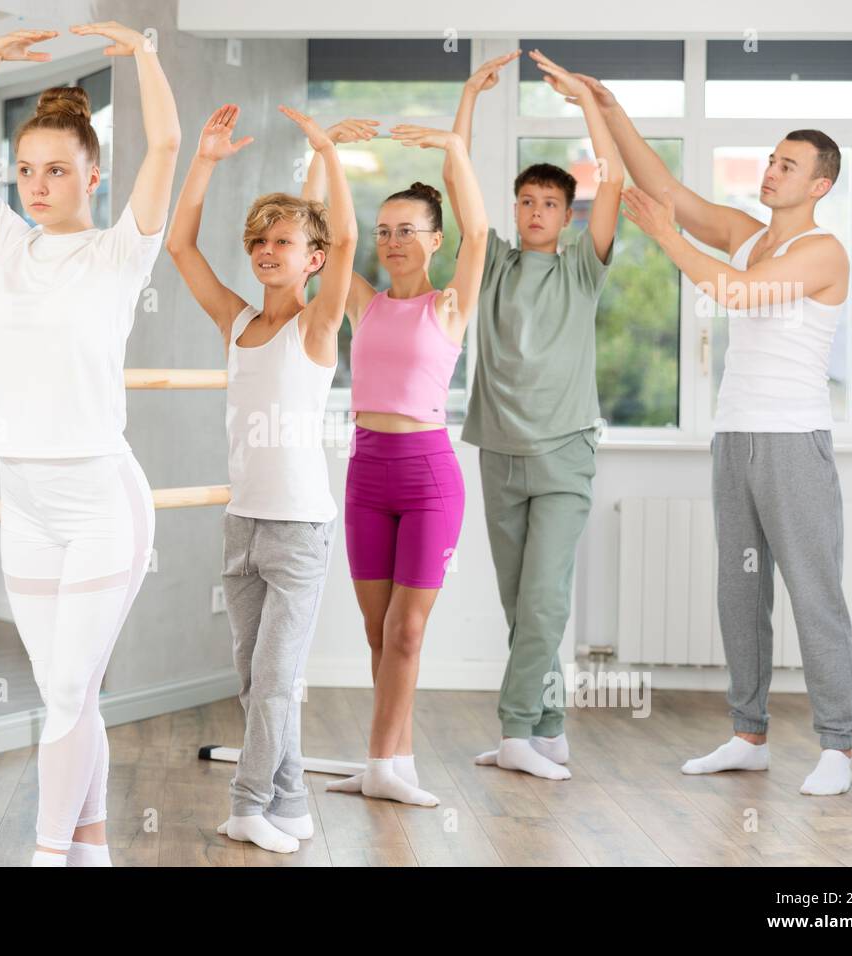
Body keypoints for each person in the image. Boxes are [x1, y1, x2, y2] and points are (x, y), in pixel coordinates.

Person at [0, 22, 179, 865]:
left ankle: (44, 855)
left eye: (58, 171)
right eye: (27, 171)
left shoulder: (121, 254)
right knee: (63, 693)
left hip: (102, 499)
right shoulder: (9, 245)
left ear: (93, 175)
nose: (37, 186)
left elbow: (169, 142)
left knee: (71, 688)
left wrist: (140, 52)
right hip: (26, 502)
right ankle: (92, 851)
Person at [599, 68, 852, 795]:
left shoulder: (824, 253)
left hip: (793, 442)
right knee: (738, 593)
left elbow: (732, 292)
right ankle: (749, 734)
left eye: (789, 165)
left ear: (819, 185)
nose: (771, 171)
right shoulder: (748, 236)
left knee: (813, 592)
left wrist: (662, 235)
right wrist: (613, 109)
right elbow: (671, 192)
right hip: (735, 438)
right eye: (772, 159)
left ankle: (837, 745)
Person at [166, 103, 357, 853]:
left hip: (299, 529)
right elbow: (179, 246)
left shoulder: (317, 327)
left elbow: (344, 235)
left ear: (311, 258)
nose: (267, 250)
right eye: (259, 241)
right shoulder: (239, 323)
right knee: (253, 684)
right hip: (241, 527)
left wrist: (327, 155)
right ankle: (294, 803)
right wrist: (205, 160)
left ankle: (249, 805)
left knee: (276, 684)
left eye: (284, 241)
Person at [299, 121, 488, 806]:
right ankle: (393, 761)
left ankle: (381, 765)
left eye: (408, 229)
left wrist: (455, 151)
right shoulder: (361, 304)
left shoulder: (449, 304)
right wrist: (325, 157)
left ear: (434, 241)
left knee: (408, 630)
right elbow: (316, 232)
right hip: (366, 474)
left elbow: (481, 231)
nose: (394, 241)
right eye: (385, 229)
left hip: (429, 476)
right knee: (380, 634)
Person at [447, 50, 622, 780]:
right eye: (526, 203)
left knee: (545, 598)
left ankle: (516, 730)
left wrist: (586, 99)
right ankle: (549, 729)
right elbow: (459, 189)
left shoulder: (583, 266)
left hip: (563, 454)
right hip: (498, 450)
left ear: (568, 213)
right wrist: (467, 99)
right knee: (522, 603)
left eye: (550, 203)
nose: (536, 212)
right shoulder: (493, 265)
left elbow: (612, 178)